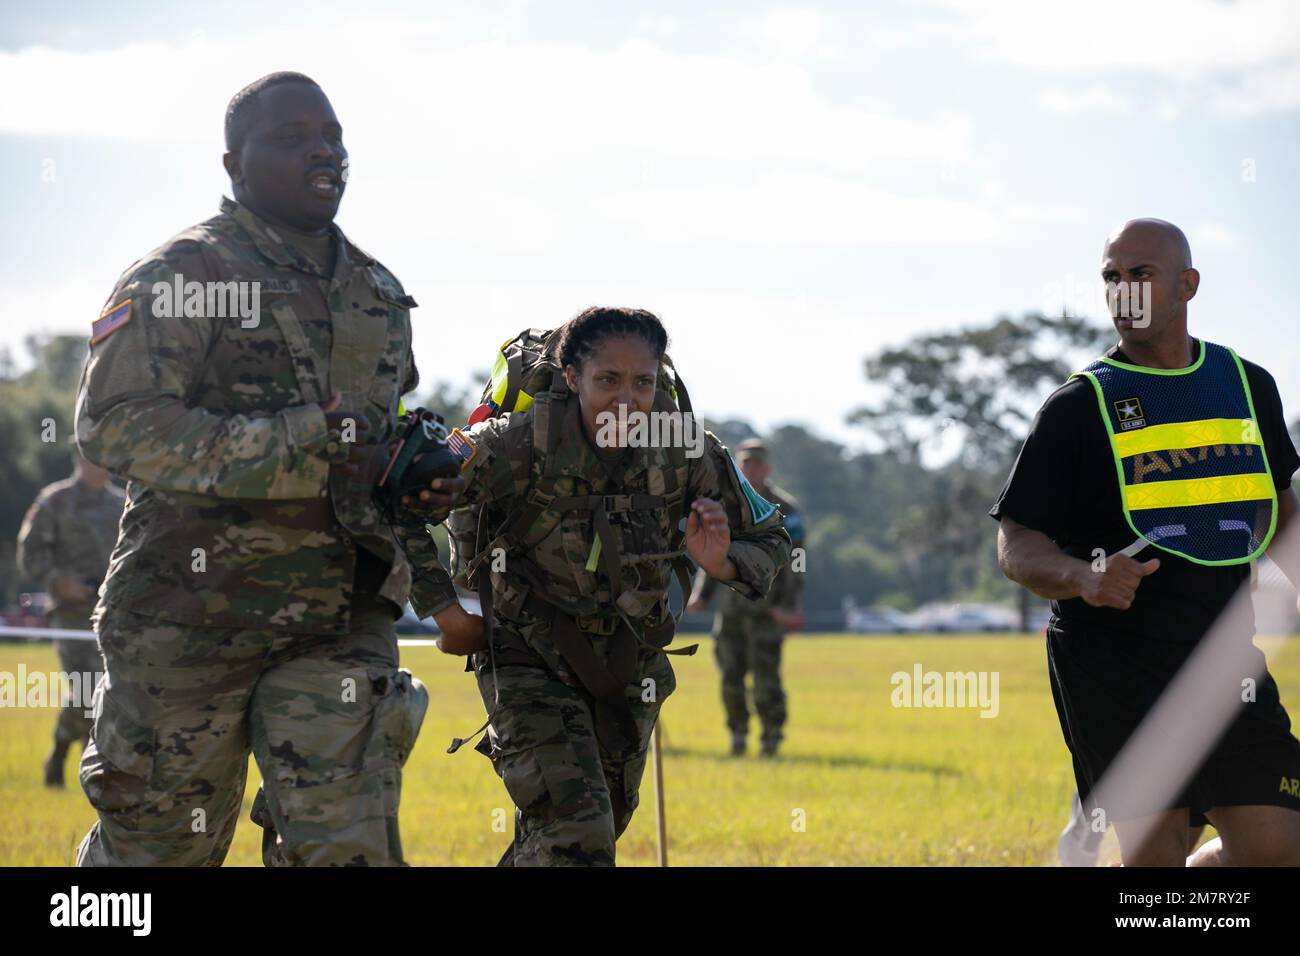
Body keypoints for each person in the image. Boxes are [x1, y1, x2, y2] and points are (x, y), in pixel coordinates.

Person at [72, 71, 463, 866]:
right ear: (233, 164)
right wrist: (301, 441)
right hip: (187, 619)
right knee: (156, 854)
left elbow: (376, 440)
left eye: (333, 135)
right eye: (292, 137)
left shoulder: (377, 291)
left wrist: (412, 472)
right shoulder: (185, 274)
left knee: (345, 849)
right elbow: (114, 425)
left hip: (338, 622)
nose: (324, 149)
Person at [429, 307, 793, 865]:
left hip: (631, 667)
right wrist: (443, 610)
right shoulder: (512, 444)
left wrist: (720, 563)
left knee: (573, 837)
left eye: (643, 383)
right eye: (608, 380)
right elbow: (401, 501)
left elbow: (771, 537)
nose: (627, 400)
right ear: (571, 376)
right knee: (580, 834)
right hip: (529, 660)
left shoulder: (687, 448)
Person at [994, 218, 1300, 866]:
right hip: (1113, 670)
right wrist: (1083, 577)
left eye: (1141, 274)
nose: (1123, 291)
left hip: (1224, 662)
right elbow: (1017, 541)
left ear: (1187, 285)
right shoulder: (1079, 406)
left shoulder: (1247, 385)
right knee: (1155, 856)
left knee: (1279, 844)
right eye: (1111, 276)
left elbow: (1279, 507)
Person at [687, 438, 805, 758]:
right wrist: (701, 596)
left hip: (768, 610)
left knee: (767, 679)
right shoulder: (724, 504)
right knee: (729, 677)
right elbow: (712, 555)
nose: (751, 469)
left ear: (768, 468)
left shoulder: (786, 509)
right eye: (746, 464)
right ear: (738, 466)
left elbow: (798, 561)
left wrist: (789, 605)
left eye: (757, 464)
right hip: (731, 610)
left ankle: (771, 739)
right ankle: (737, 736)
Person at [16, 451, 125, 787]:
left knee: (112, 690)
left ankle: (86, 758)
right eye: (93, 456)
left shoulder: (125, 504)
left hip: (114, 613)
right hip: (71, 614)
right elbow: (29, 553)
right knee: (86, 687)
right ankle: (63, 750)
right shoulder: (54, 501)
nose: (100, 463)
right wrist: (58, 580)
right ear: (79, 457)